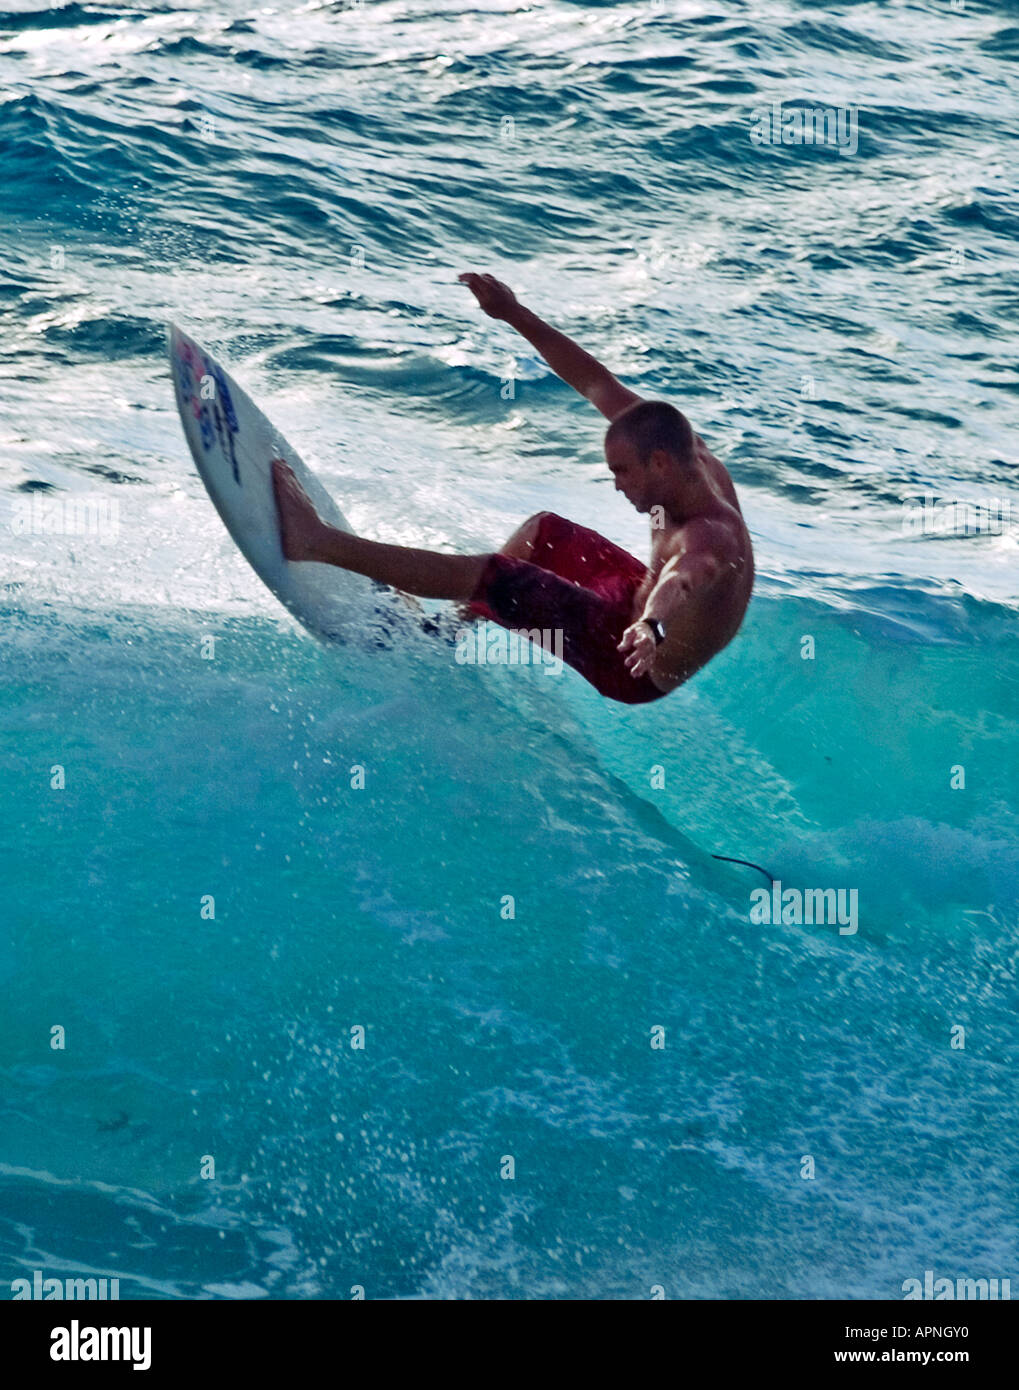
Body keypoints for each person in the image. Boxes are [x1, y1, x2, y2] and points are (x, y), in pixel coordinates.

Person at [271, 272, 754, 703]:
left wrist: (650, 626)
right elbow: (594, 382)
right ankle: (450, 632)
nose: (616, 485)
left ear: (660, 463)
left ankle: (315, 542)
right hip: (632, 597)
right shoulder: (686, 457)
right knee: (544, 532)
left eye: (623, 472)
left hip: (630, 664)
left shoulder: (709, 537)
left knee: (495, 576)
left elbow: (683, 577)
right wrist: (513, 314)